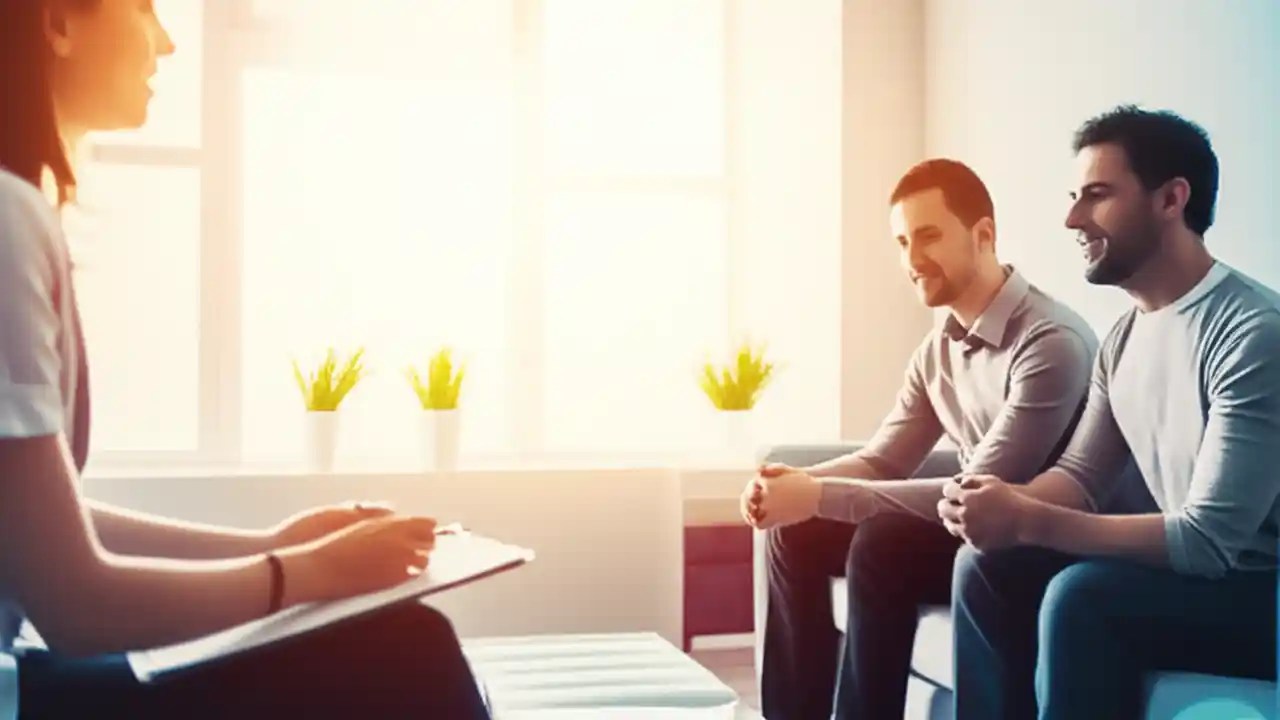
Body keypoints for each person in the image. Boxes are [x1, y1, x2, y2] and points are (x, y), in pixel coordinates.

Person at [0, 2, 490, 718]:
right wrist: (308, 573)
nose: (167, 42)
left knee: (404, 645)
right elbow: (79, 607)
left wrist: (269, 544)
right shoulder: (9, 220)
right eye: (144, 7)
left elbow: (39, 532)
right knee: (409, 648)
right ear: (58, 24)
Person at [940, 105, 1280, 719]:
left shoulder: (1252, 334)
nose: (1072, 219)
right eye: (1074, 197)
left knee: (1083, 597)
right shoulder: (1123, 338)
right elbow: (1079, 479)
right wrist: (993, 502)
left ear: (1171, 199)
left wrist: (1029, 520)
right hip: (1208, 578)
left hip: (1262, 591)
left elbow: (1207, 542)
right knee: (988, 565)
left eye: (1096, 196)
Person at [742, 158, 1098, 720]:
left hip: (1029, 540)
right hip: (965, 527)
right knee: (797, 530)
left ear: (983, 235)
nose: (912, 260)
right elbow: (882, 461)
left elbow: (979, 490)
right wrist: (794, 488)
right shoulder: (937, 351)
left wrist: (817, 494)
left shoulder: (1050, 341)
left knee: (884, 541)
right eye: (903, 241)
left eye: (928, 236)